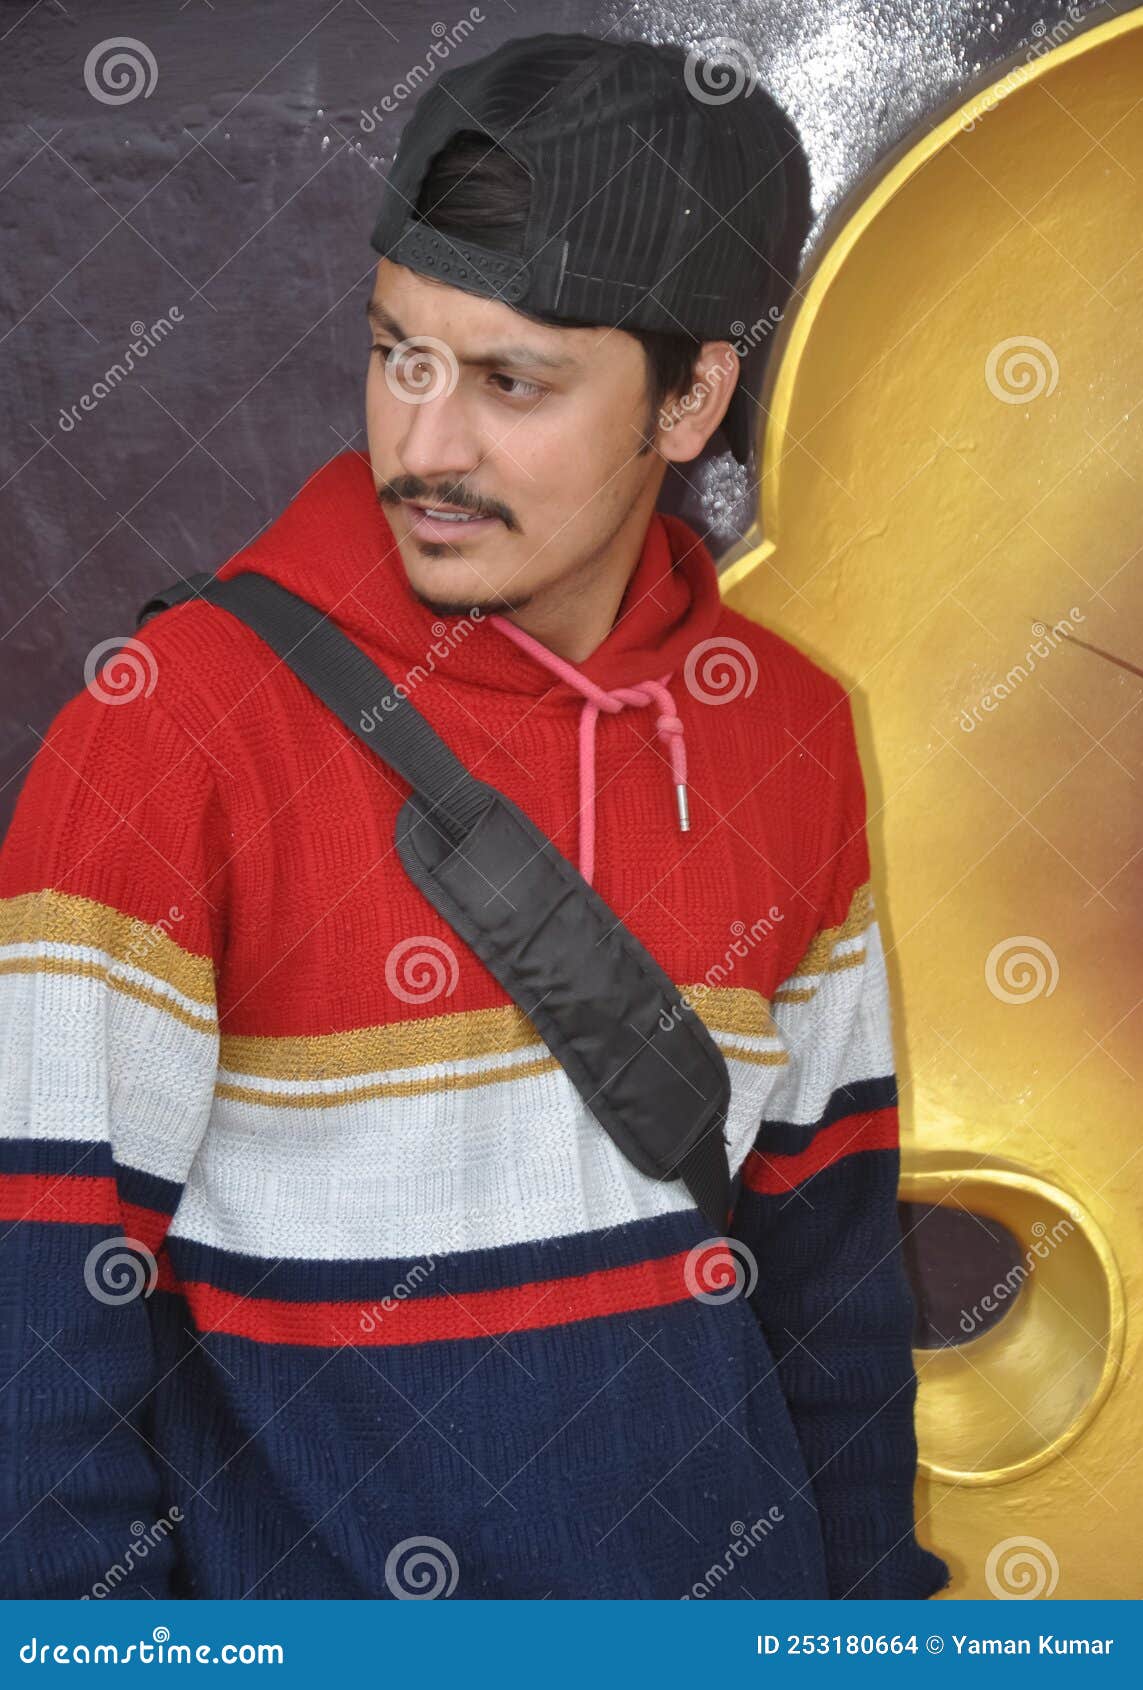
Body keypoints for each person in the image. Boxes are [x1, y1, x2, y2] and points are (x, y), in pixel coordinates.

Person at [0, 32, 950, 1601]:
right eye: (399, 352)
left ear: (691, 396)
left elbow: (833, 1292)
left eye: (513, 381)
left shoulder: (786, 730)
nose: (425, 444)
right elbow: (35, 1353)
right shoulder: (166, 726)